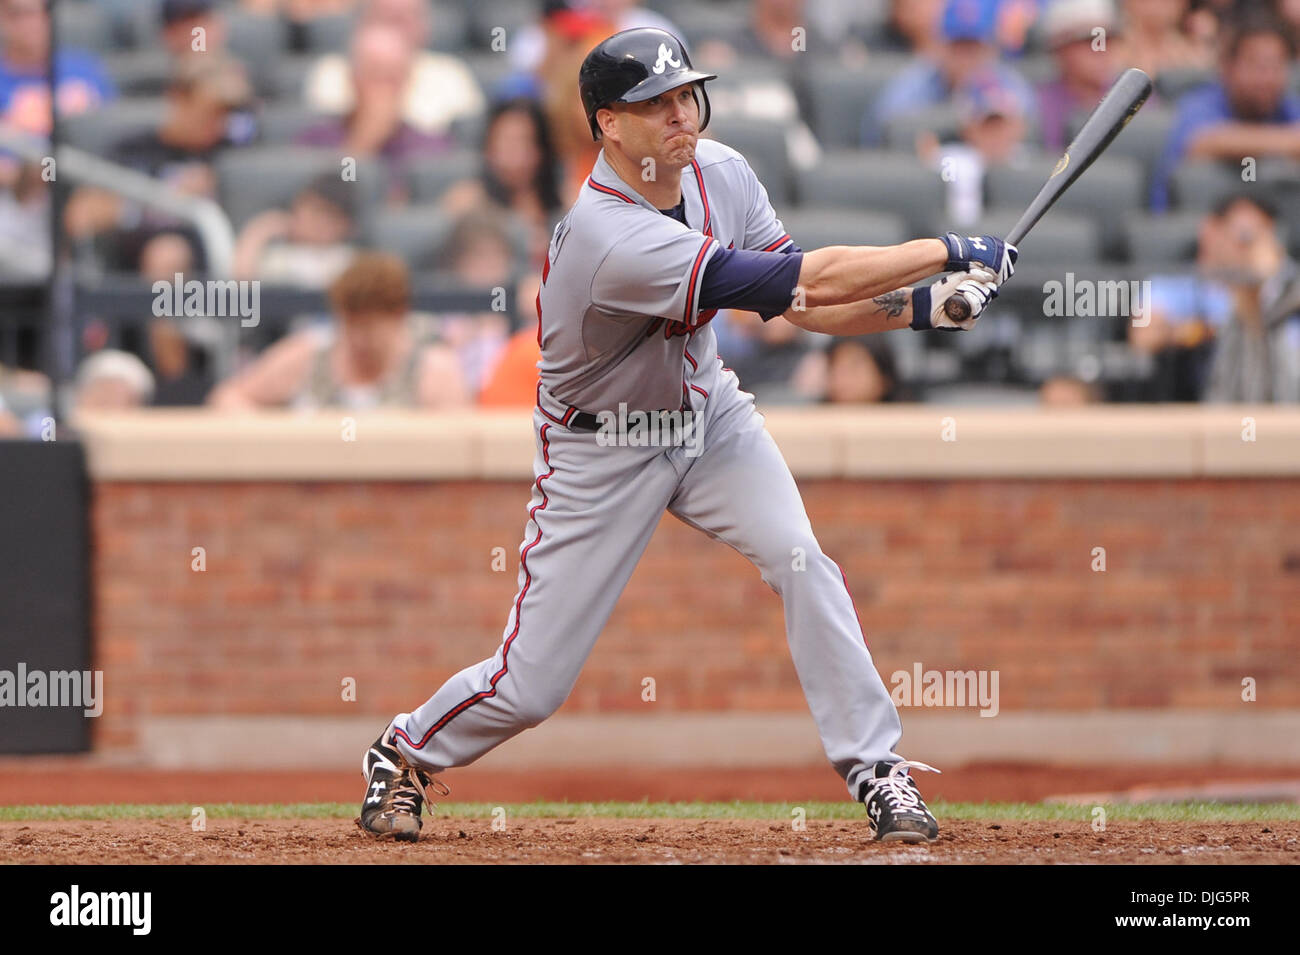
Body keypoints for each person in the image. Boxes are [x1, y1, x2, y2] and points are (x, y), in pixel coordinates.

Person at [355, 28, 1014, 846]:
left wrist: (922, 306)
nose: (678, 114)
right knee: (532, 685)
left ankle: (879, 767)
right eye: (653, 104)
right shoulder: (606, 235)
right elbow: (806, 278)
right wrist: (944, 250)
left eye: (683, 95)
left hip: (708, 414)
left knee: (803, 558)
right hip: (601, 446)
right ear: (608, 125)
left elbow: (802, 307)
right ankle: (403, 750)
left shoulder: (723, 171)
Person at [206, 253, 469, 410]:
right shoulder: (307, 356)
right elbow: (227, 398)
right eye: (350, 325)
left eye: (370, 328)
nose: (359, 340)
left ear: (397, 316)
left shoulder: (434, 371)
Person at [1149, 13, 1300, 211]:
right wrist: (1289, 143)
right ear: (1228, 67)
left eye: (1276, 66)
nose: (1267, 78)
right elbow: (1199, 142)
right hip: (1193, 227)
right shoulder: (1200, 102)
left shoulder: (1286, 107)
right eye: (1258, 66)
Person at [862, 0, 1035, 147]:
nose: (965, 59)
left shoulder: (1011, 86)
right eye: (957, 47)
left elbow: (1028, 143)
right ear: (940, 47)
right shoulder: (911, 87)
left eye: (973, 48)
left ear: (989, 50)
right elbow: (882, 134)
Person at [0, 0, 114, 136]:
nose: (35, 22)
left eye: (45, 11)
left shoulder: (83, 67)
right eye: (19, 14)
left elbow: (116, 129)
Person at [232, 171, 358, 285]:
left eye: (330, 217)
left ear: (347, 226)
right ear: (296, 207)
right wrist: (259, 232)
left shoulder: (348, 261)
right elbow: (242, 287)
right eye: (314, 211)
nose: (318, 224)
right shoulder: (271, 253)